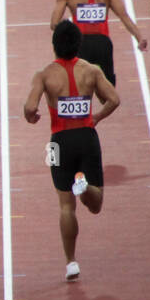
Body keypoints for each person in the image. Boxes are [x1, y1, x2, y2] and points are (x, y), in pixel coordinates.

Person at [23, 21, 119, 281]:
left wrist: (31, 117)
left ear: (54, 45)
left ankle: (71, 263)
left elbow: (29, 108)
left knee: (66, 206)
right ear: (79, 44)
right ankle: (84, 186)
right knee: (95, 206)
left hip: (58, 143)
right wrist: (96, 117)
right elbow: (114, 99)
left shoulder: (44, 75)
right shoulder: (92, 71)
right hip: (87, 137)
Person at [50, 0, 147, 87]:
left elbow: (54, 24)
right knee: (109, 91)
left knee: (79, 89)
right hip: (103, 44)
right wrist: (139, 37)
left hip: (80, 45)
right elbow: (124, 17)